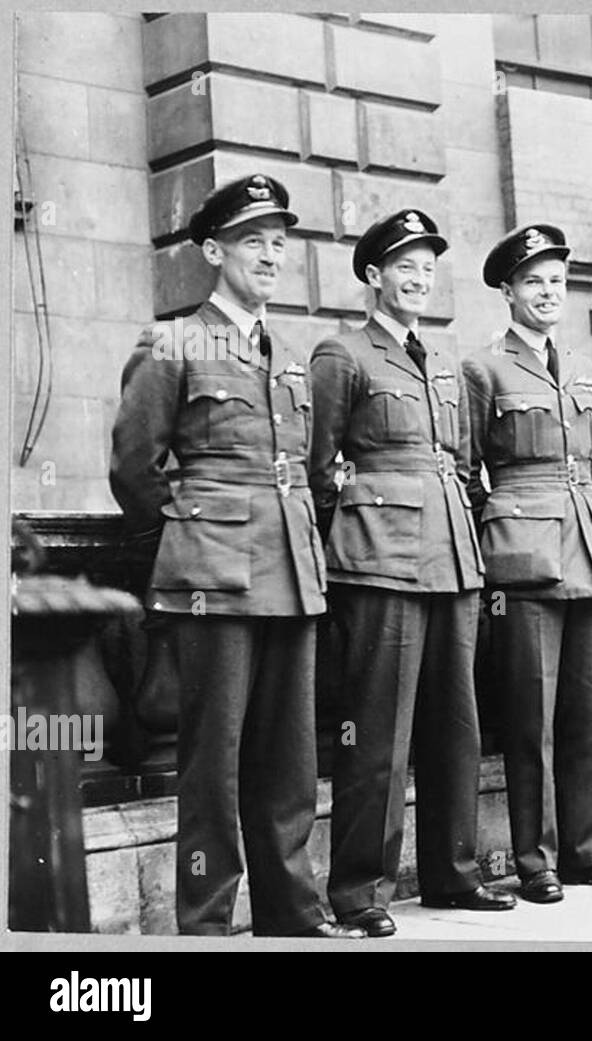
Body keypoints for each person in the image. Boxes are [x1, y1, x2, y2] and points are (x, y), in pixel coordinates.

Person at [110, 175, 362, 938]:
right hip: (210, 579)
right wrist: (192, 532)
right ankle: (209, 920)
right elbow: (134, 465)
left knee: (289, 760)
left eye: (279, 242)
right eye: (253, 240)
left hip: (290, 570)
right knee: (211, 763)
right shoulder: (173, 341)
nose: (270, 255)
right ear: (214, 250)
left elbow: (312, 466)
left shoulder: (289, 350)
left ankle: (292, 911)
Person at [309, 211, 516, 936]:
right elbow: (317, 470)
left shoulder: (445, 362)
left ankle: (452, 876)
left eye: (428, 265)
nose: (419, 277)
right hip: (381, 562)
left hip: (452, 556)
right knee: (376, 734)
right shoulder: (344, 354)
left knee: (455, 727)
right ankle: (361, 890)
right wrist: (364, 522)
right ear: (373, 275)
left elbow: (460, 462)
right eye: (405, 265)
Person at [461, 224, 592, 902]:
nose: (547, 292)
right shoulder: (483, 369)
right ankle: (534, 857)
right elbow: (462, 464)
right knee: (531, 715)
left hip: (589, 543)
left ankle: (587, 849)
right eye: (534, 280)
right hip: (524, 552)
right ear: (508, 291)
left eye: (556, 281)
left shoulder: (582, 371)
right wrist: (506, 518)